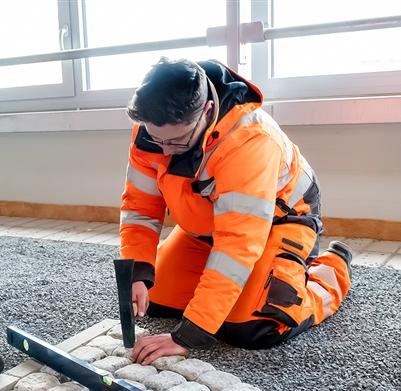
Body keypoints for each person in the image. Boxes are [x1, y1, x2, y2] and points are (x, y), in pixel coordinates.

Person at [120, 57, 352, 366]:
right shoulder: (154, 128)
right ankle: (236, 286)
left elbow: (237, 244)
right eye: (156, 138)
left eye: (176, 141)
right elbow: (140, 208)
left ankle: (333, 268)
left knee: (252, 325)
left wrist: (186, 336)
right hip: (205, 228)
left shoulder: (250, 141)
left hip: (279, 224)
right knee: (155, 299)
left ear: (207, 111)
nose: (163, 150)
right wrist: (137, 273)